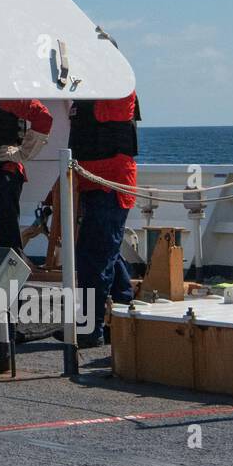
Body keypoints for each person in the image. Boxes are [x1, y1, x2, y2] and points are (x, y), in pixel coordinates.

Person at [68, 92, 140, 346]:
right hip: (91, 182)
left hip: (110, 184)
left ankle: (90, 328)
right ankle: (122, 313)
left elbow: (104, 115)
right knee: (104, 252)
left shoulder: (118, 92)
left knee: (94, 258)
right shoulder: (84, 95)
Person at [0, 100, 52, 253]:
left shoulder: (5, 94)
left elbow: (43, 117)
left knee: (5, 234)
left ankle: (11, 276)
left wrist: (22, 152)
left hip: (1, 172)